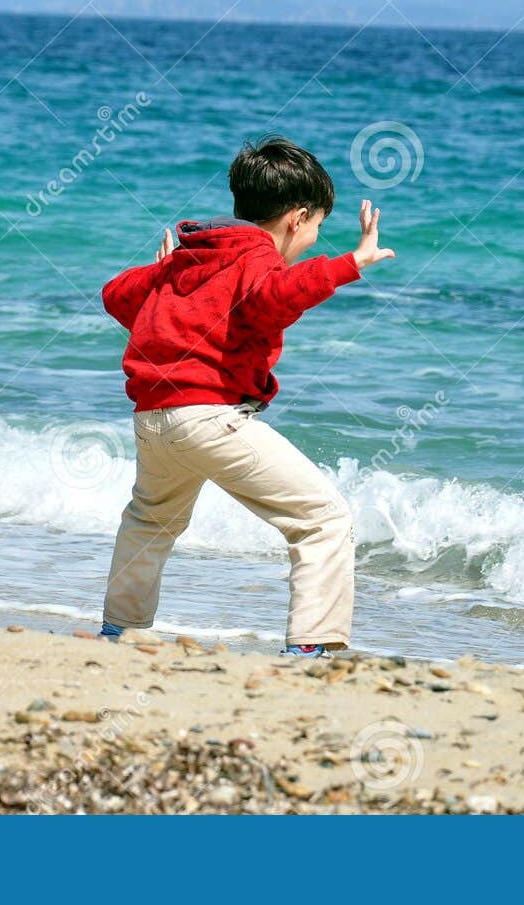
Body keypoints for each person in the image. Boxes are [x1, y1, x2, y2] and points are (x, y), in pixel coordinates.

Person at [97, 135, 395, 656]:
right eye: (317, 227)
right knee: (323, 518)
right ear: (297, 219)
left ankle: (121, 629)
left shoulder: (193, 256)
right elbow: (275, 299)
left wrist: (159, 273)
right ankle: (312, 647)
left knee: (150, 520)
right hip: (208, 417)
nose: (310, 240)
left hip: (154, 419)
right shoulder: (257, 257)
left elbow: (117, 296)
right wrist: (352, 262)